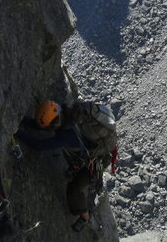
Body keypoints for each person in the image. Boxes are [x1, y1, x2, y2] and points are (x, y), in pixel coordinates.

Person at [14, 99, 118, 231]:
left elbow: (38, 145)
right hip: (97, 147)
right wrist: (25, 121)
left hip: (98, 160)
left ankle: (85, 217)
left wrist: (17, 131)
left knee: (75, 189)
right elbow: (45, 125)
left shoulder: (67, 135)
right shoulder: (71, 111)